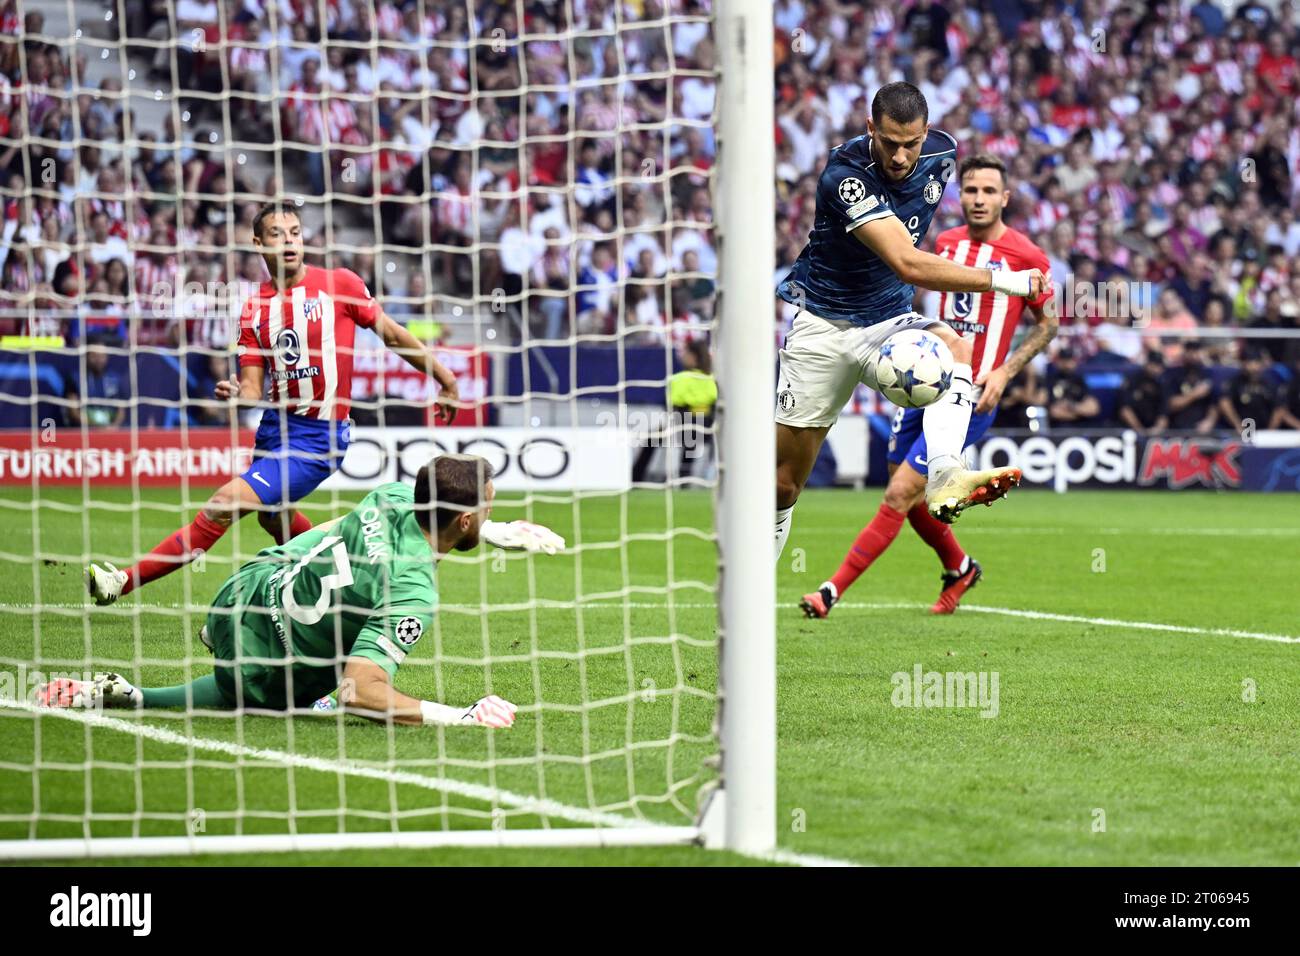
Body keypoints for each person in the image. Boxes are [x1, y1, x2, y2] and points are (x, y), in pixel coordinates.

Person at [84, 204, 462, 605]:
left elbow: (391, 334)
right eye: (278, 234)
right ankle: (343, 581)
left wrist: (446, 377)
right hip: (274, 429)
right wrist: (237, 394)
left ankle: (122, 582)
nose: (289, 242)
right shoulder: (253, 309)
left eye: (295, 232)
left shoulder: (341, 284)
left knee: (222, 503)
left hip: (320, 438)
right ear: (258, 243)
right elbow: (252, 387)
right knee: (272, 516)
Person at [41, 455, 564, 727]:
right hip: (267, 674)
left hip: (239, 593)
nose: (494, 515)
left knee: (322, 555)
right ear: (466, 519)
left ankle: (133, 691)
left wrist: (499, 534)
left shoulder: (391, 495)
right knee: (289, 694)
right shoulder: (414, 591)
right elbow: (357, 694)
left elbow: (342, 528)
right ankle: (140, 695)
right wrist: (461, 716)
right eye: (489, 510)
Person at [773, 83, 1047, 564]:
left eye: (911, 144)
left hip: (890, 318)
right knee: (782, 484)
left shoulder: (942, 156)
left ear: (927, 134)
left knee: (958, 349)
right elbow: (908, 263)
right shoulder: (844, 176)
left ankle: (946, 476)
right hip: (825, 324)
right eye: (890, 143)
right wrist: (1004, 281)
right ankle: (750, 595)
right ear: (870, 128)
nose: (901, 157)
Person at [801, 154, 1057, 619]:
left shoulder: (1027, 256)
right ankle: (960, 567)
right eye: (971, 190)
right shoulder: (944, 242)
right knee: (914, 493)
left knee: (899, 493)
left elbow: (1048, 325)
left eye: (988, 191)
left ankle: (829, 592)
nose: (978, 200)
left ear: (1005, 198)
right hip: (923, 383)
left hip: (971, 394)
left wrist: (1004, 371)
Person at [1218, 347, 1277, 434]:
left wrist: (1270, 431)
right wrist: (1237, 425)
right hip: (1240, 432)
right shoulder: (1236, 382)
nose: (1255, 367)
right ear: (1244, 363)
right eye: (1251, 363)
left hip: (1264, 432)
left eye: (1258, 363)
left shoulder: (1268, 383)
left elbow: (1279, 408)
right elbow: (1224, 402)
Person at [1165, 340, 1219, 433]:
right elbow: (1172, 404)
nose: (1193, 355)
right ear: (1184, 353)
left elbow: (1216, 403)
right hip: (1177, 428)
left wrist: (1209, 421)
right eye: (1190, 351)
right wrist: (1195, 394)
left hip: (1202, 428)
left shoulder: (1208, 374)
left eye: (1196, 352)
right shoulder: (1173, 374)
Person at [1117, 350, 1170, 435]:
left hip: (1154, 431)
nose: (1155, 369)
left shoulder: (1162, 383)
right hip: (1130, 429)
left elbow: (1164, 413)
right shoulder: (1132, 379)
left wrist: (1157, 430)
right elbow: (1124, 410)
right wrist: (1140, 431)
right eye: (1153, 364)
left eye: (1158, 366)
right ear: (1147, 363)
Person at [1046, 345, 1100, 425]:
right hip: (1059, 427)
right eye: (1063, 360)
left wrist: (1071, 407)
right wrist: (1080, 413)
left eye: (1069, 360)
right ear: (1058, 361)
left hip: (1081, 426)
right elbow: (1054, 412)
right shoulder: (1051, 379)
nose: (1067, 364)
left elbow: (1093, 408)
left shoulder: (1079, 380)